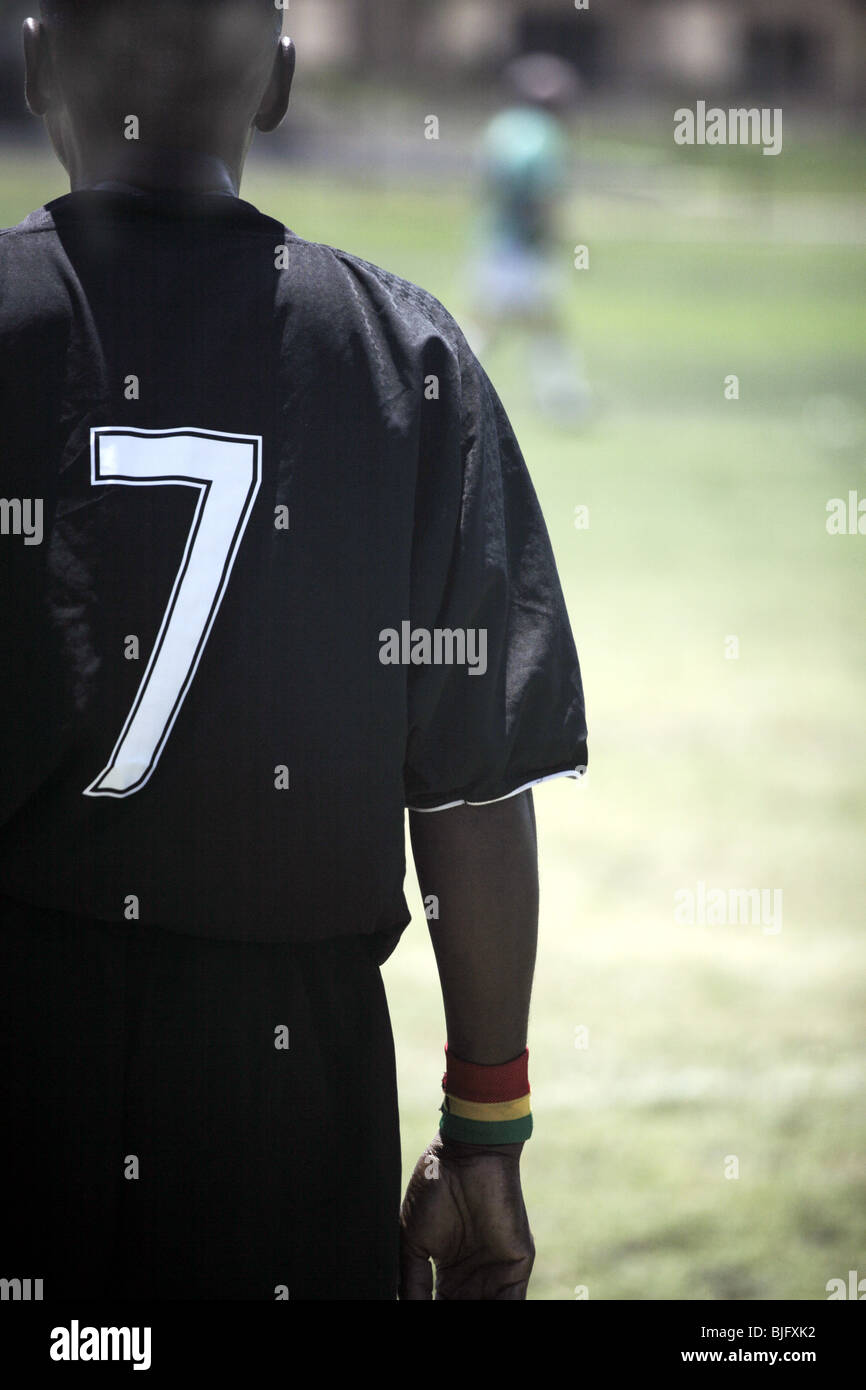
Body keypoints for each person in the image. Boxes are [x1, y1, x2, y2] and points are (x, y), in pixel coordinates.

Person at [0, 0, 588, 1301]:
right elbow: (471, 784)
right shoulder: (411, 358)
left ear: (36, 61)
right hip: (288, 1082)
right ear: (276, 76)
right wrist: (484, 1126)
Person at [467, 52, 591, 422]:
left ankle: (560, 395)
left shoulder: (499, 128)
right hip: (527, 247)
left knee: (500, 323)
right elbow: (545, 197)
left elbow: (484, 187)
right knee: (519, 325)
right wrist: (556, 237)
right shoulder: (547, 136)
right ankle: (560, 398)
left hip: (495, 242)